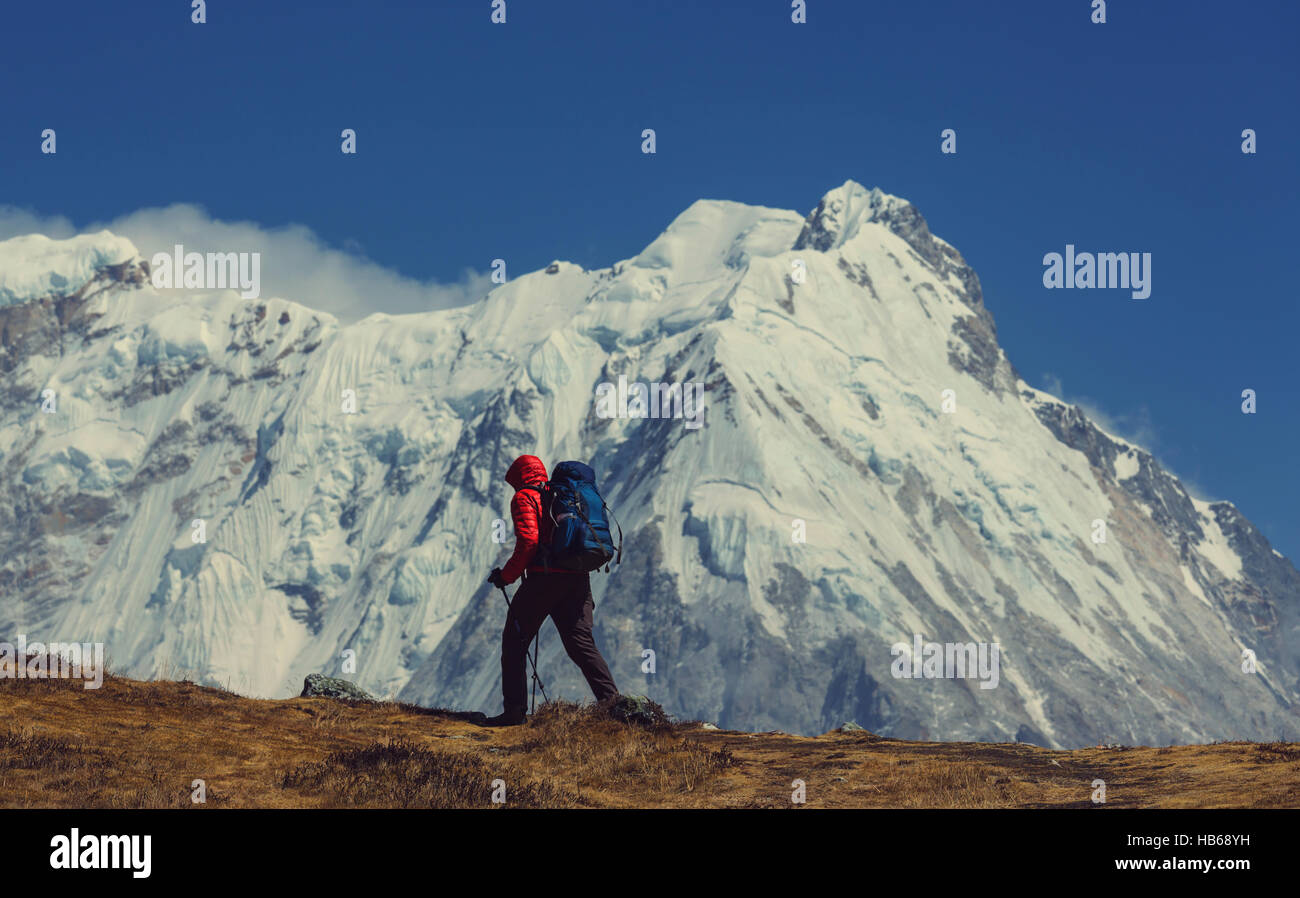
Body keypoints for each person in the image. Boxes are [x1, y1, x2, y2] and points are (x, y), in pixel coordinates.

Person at [482, 454, 619, 726]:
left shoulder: (525, 498)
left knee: (514, 642)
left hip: (544, 581)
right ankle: (614, 706)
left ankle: (514, 712)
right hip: (577, 578)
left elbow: (529, 542)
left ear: (519, 477)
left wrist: (506, 576)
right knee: (581, 644)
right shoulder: (558, 495)